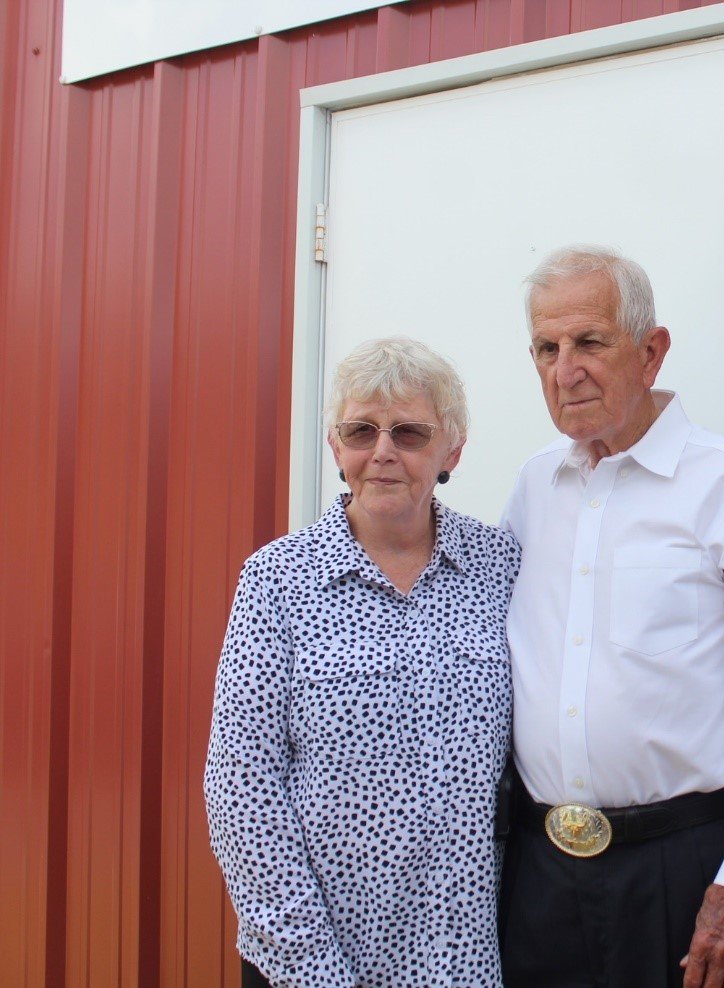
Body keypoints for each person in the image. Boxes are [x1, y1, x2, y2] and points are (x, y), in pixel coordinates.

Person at [499, 245, 724, 988]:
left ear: (651, 351)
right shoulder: (533, 488)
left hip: (681, 874)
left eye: (589, 342)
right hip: (537, 877)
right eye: (546, 349)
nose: (566, 371)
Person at [205, 338, 520, 988]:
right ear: (335, 446)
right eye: (361, 431)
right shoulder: (278, 580)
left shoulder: (500, 567)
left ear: (452, 451)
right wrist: (311, 966)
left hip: (466, 954)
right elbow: (242, 785)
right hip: (314, 956)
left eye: (409, 433)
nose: (382, 451)